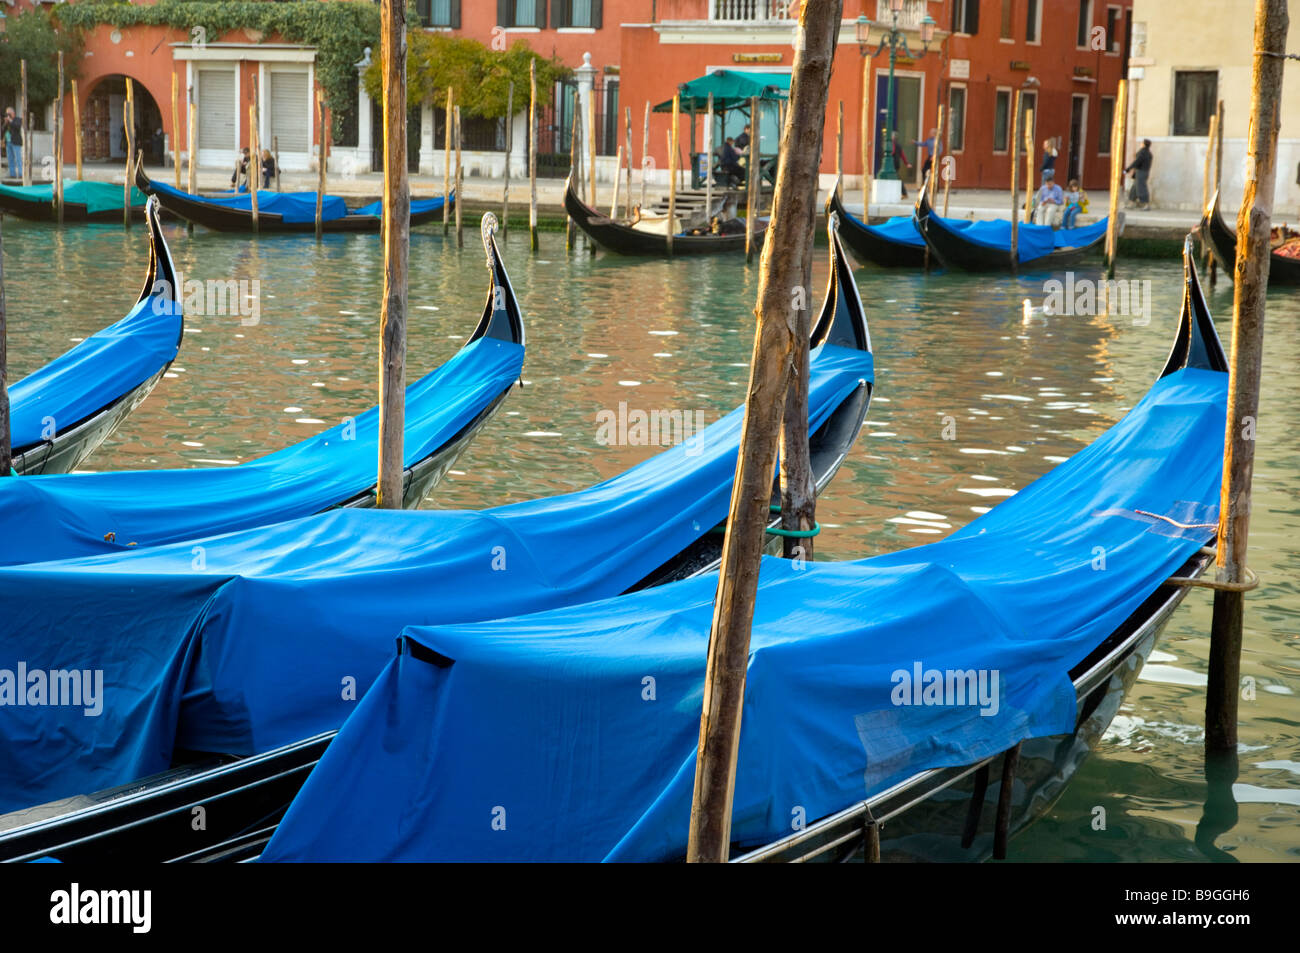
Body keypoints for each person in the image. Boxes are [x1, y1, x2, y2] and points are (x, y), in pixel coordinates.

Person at [1125, 138, 1153, 209]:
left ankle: (1146, 204)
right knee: (1134, 188)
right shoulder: (1149, 153)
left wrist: (1128, 169)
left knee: (1141, 188)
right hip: (1143, 172)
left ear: (1143, 144)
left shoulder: (1142, 153)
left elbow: (1137, 162)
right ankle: (1131, 203)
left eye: (1142, 143)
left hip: (1141, 172)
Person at [888, 132, 913, 198]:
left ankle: (904, 193)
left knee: (896, 178)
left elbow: (892, 152)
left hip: (892, 163)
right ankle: (903, 193)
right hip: (896, 163)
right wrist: (906, 163)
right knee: (896, 178)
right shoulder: (898, 145)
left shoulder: (891, 144)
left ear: (893, 137)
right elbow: (902, 155)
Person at [4, 108, 22, 179]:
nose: (8, 115)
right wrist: (5, 123)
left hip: (16, 142)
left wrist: (11, 121)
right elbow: (2, 130)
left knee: (18, 159)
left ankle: (20, 174)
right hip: (8, 142)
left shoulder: (18, 119)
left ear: (13, 113)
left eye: (9, 113)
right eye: (7, 113)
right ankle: (12, 174)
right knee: (10, 159)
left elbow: (17, 127)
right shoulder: (7, 121)